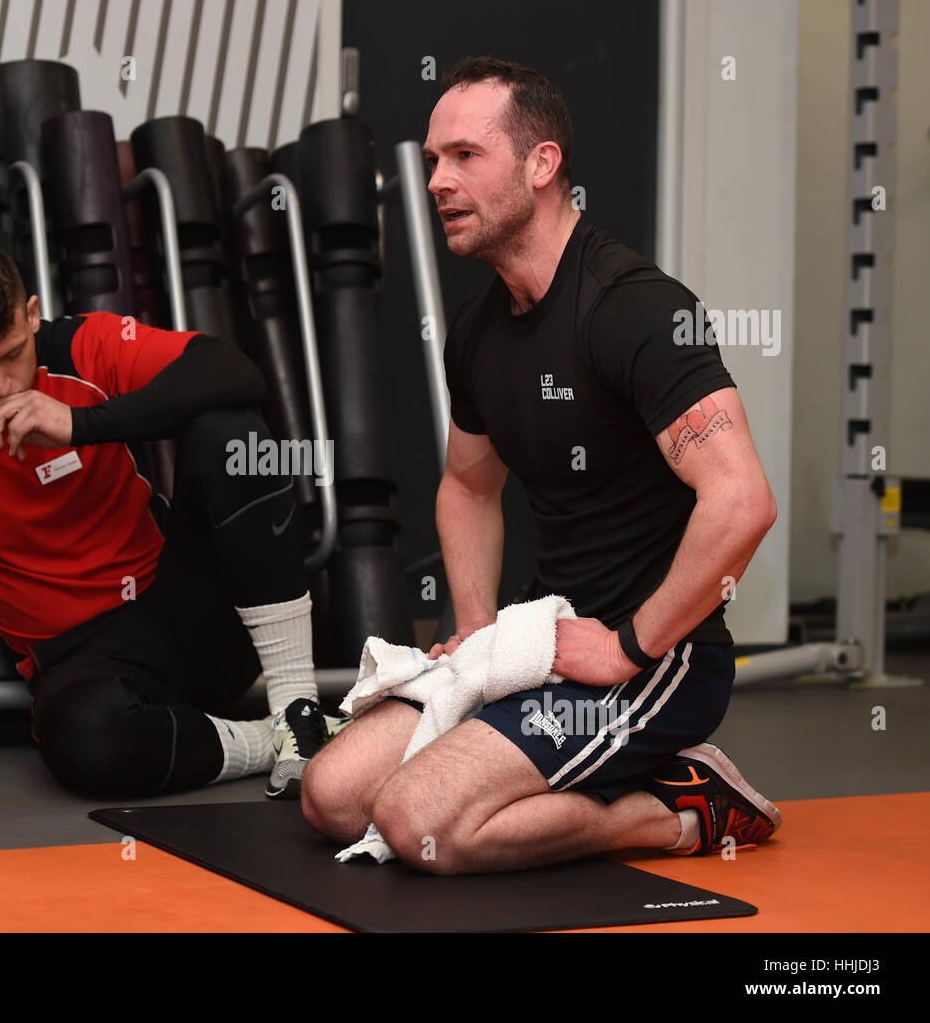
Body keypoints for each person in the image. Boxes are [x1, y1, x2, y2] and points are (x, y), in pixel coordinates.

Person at [302, 57, 782, 872]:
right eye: (432, 161)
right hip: (545, 639)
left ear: (542, 163)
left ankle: (683, 806)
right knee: (332, 796)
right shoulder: (480, 334)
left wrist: (628, 646)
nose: (437, 183)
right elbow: (466, 485)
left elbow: (742, 501)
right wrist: (479, 629)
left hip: (661, 659)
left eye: (464, 157)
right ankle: (556, 772)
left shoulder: (638, 309)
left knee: (423, 824)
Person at [0, 231, 334, 799]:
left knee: (230, 432)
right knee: (87, 742)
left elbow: (235, 372)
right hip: (84, 664)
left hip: (190, 616)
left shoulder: (85, 346)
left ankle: (298, 711)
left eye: (13, 353)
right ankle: (269, 742)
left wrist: (80, 424)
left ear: (33, 315)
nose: (1, 384)